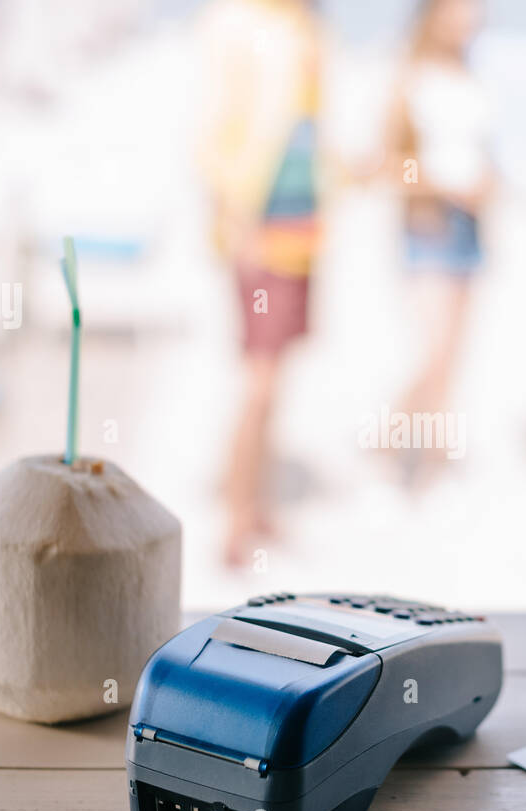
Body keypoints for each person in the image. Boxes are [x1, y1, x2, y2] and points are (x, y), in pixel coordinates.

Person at [193, 0, 324, 567]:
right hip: (259, 220)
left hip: (303, 222)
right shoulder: (233, 21)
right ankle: (235, 517)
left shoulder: (309, 25)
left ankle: (259, 503)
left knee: (279, 376)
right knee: (260, 378)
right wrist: (232, 214)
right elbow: (211, 126)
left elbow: (312, 128)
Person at [383, 0, 490, 483]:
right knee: (433, 351)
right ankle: (391, 439)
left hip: (472, 225)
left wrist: (488, 185)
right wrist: (442, 185)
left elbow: (483, 155)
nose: (468, 17)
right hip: (428, 225)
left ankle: (430, 460)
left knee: (455, 353)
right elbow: (392, 165)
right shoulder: (410, 79)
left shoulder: (473, 79)